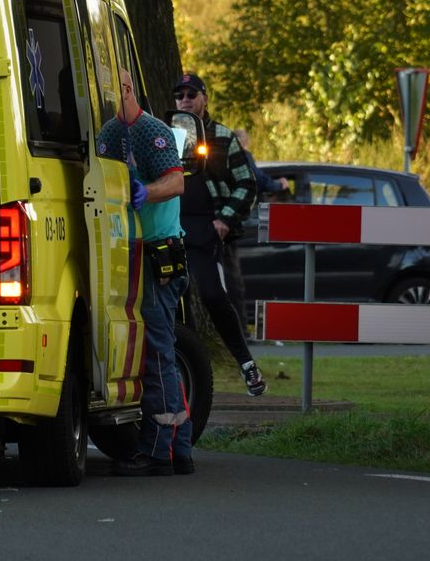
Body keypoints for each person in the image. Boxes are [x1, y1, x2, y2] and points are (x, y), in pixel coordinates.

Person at [97, 70, 193, 476]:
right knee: (156, 351)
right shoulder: (108, 131)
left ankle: (160, 450)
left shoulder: (152, 132)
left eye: (114, 88)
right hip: (132, 251)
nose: (109, 95)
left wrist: (145, 193)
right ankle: (179, 451)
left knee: (157, 353)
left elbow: (175, 182)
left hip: (158, 254)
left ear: (128, 89)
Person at [172, 72, 267, 396]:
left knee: (213, 295)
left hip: (207, 229)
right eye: (179, 95)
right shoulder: (168, 135)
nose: (185, 100)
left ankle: (246, 363)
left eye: (191, 94)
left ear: (204, 98)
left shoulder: (224, 137)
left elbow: (248, 183)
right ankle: (185, 369)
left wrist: (225, 219)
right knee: (173, 298)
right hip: (171, 227)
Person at [223, 129, 290, 333]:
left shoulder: (223, 160)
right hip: (239, 225)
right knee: (234, 282)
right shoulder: (243, 157)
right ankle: (241, 329)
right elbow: (258, 180)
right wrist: (280, 184)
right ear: (243, 142)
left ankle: (239, 327)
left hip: (230, 222)